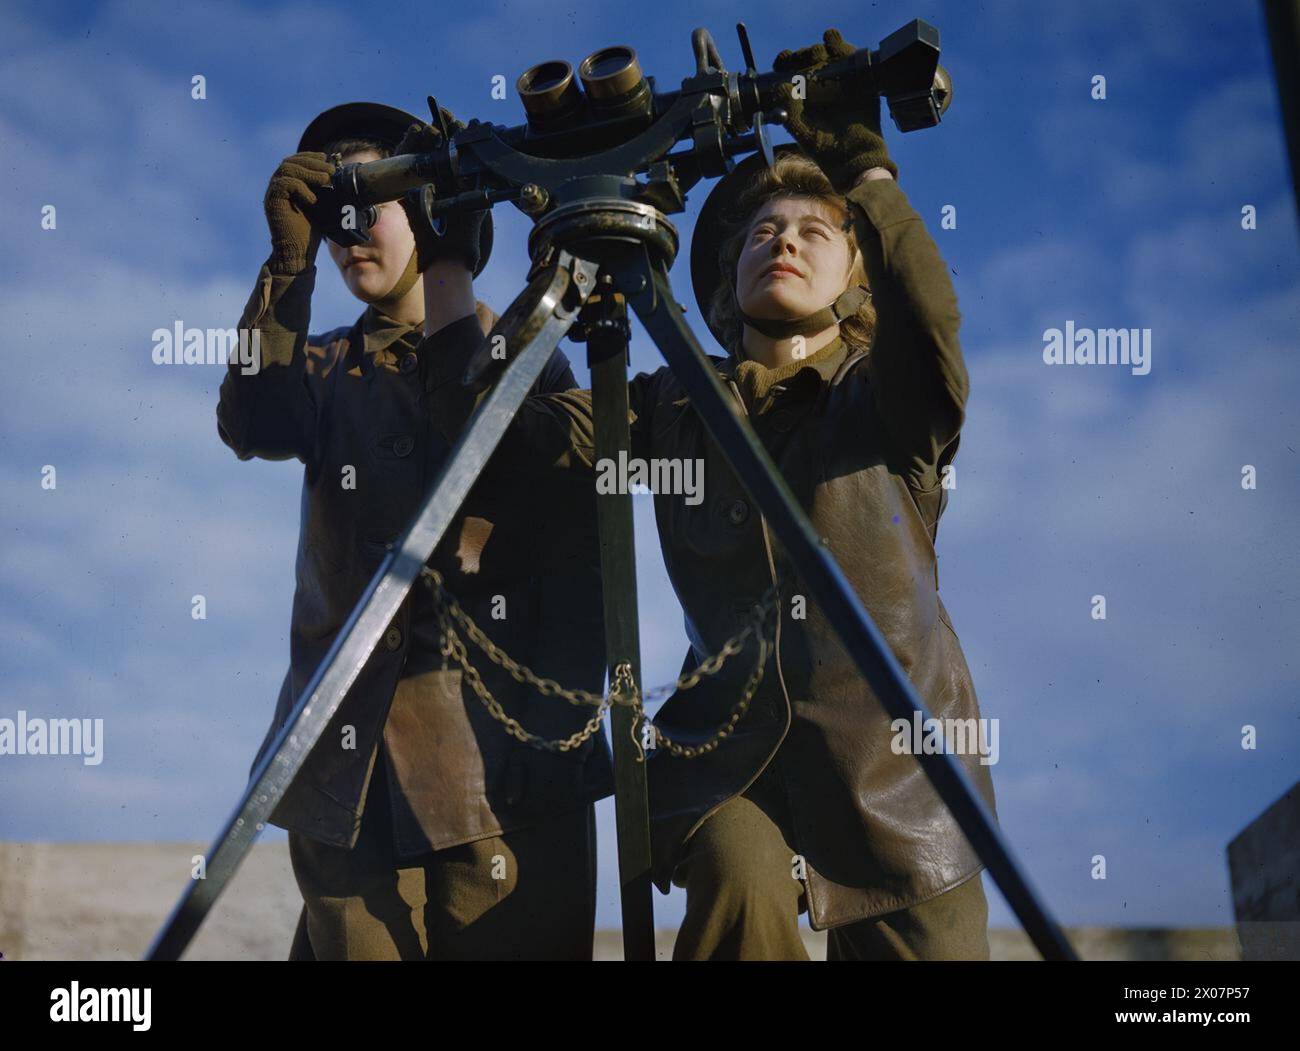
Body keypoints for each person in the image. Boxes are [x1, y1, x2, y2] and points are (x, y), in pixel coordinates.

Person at [414, 27, 998, 960]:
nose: (784, 241)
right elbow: (516, 432)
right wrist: (464, 266)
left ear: (856, 276)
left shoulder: (878, 398)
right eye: (762, 233)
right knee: (734, 867)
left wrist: (866, 169)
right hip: (730, 766)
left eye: (816, 232)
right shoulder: (677, 405)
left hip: (901, 789)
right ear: (724, 284)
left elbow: (930, 340)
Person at [216, 101, 613, 960]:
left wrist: (448, 272)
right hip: (341, 779)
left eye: (374, 206)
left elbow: (490, 426)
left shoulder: (520, 347)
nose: (347, 234)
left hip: (492, 772)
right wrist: (286, 265)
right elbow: (253, 421)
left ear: (427, 216)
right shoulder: (320, 365)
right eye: (332, 217)